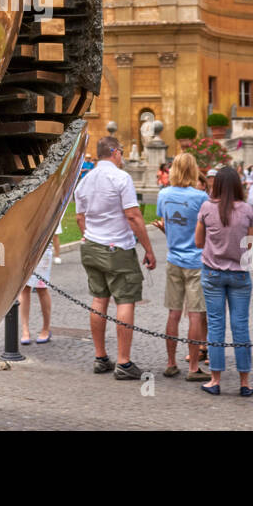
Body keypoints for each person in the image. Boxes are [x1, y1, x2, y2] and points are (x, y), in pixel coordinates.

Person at [74, 136, 157, 379]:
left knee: (99, 299)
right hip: (117, 248)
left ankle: (100, 357)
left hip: (91, 245)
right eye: (120, 151)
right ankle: (124, 361)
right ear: (114, 152)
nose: (121, 155)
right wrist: (148, 249)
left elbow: (80, 218)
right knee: (125, 301)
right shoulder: (121, 178)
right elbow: (133, 215)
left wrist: (91, 236)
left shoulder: (84, 181)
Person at [194, 166, 253, 397]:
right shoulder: (248, 209)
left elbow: (198, 241)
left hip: (212, 273)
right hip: (240, 274)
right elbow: (250, 243)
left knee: (215, 326)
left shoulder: (207, 208)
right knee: (241, 326)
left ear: (216, 184)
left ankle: (215, 379)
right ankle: (244, 382)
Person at [154, 153, 210, 381]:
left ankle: (170, 362)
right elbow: (203, 231)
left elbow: (169, 225)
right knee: (195, 314)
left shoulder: (163, 194)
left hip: (174, 258)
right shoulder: (201, 197)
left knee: (173, 313)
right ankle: (194, 366)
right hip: (197, 260)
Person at [18, 242, 54, 344]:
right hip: (24, 246)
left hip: (42, 246)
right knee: (24, 288)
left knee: (41, 288)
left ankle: (46, 328)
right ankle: (25, 330)